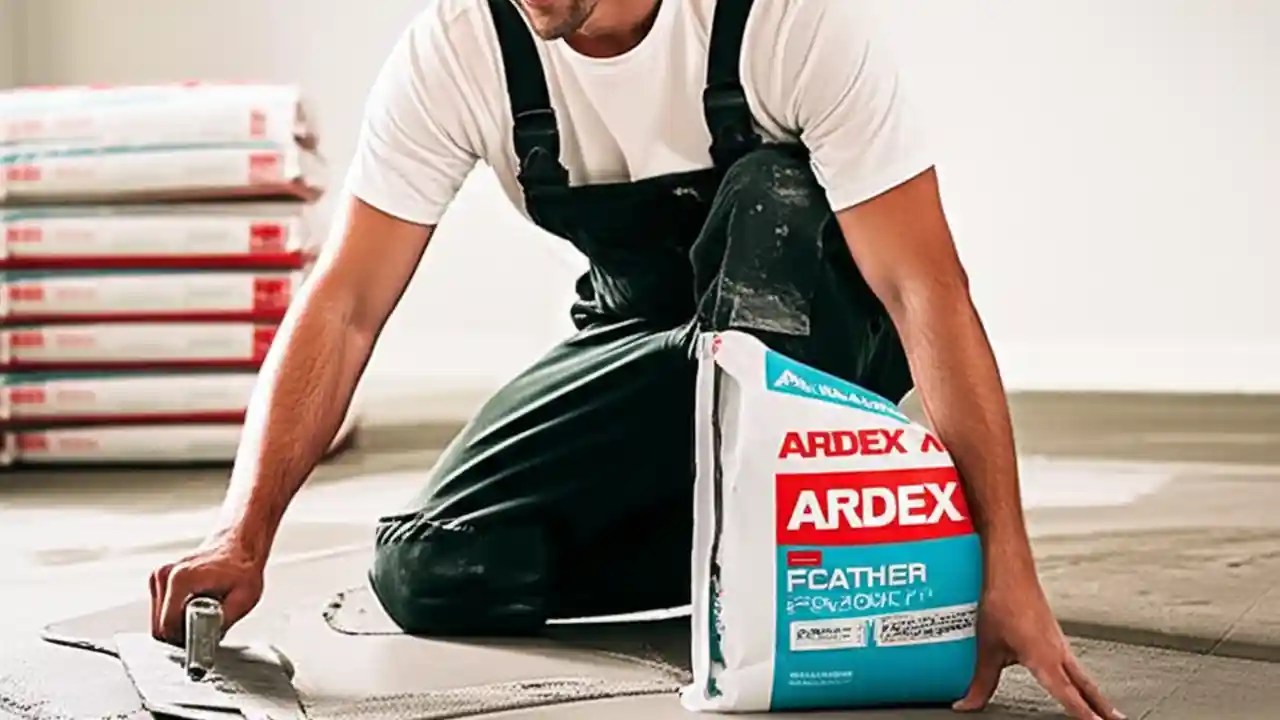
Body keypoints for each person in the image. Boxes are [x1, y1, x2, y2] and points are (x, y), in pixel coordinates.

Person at [148, 0, 1123, 717]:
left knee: (773, 196)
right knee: (431, 567)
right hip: (643, 342)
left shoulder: (785, 20)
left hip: (815, 336)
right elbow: (346, 305)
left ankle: (774, 491)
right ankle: (748, 536)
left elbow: (923, 289)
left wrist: (1003, 568)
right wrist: (243, 534)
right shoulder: (459, 48)